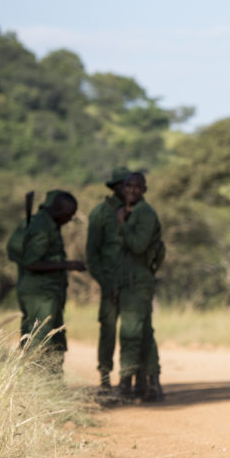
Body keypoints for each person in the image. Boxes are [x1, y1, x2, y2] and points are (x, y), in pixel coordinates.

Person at [12, 190, 87, 369]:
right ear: (56, 209)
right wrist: (67, 265)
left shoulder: (49, 224)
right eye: (67, 215)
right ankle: (33, 386)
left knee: (55, 340)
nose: (69, 219)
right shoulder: (41, 227)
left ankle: (52, 384)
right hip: (39, 293)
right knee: (39, 341)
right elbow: (31, 263)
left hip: (48, 291)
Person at [115, 171, 165, 402]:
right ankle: (151, 384)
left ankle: (126, 385)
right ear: (123, 188)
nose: (132, 190)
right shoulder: (132, 211)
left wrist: (123, 225)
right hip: (130, 281)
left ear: (144, 190)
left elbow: (137, 246)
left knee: (130, 333)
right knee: (144, 333)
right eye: (129, 186)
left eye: (137, 186)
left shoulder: (144, 213)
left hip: (139, 282)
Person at [86, 166, 131, 392]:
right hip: (111, 282)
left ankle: (132, 378)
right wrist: (106, 283)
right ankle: (104, 377)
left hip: (134, 282)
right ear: (115, 188)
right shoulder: (101, 213)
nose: (129, 189)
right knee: (109, 329)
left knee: (135, 330)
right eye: (125, 184)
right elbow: (92, 255)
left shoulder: (139, 211)